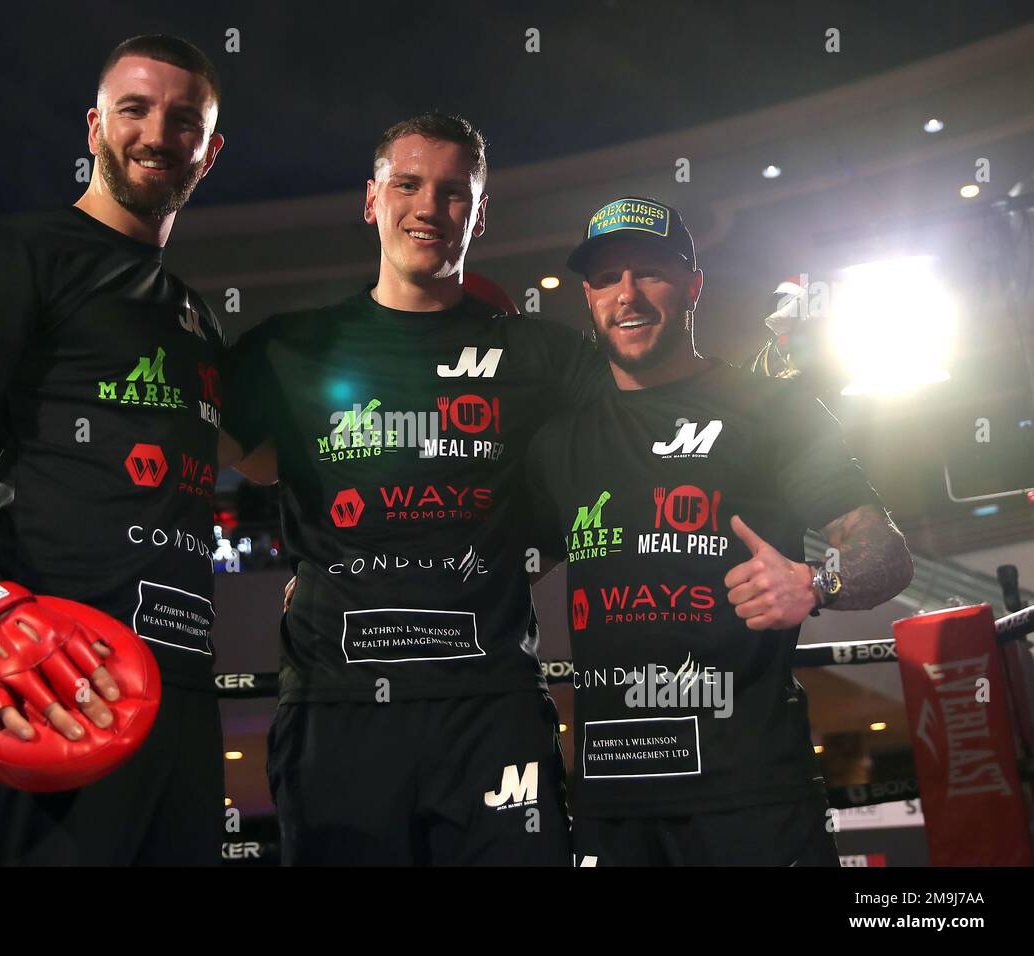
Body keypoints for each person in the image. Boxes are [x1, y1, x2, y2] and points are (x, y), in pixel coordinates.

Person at [0, 34, 235, 865]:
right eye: (134, 109)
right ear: (93, 126)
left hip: (176, 684)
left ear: (209, 153)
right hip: (44, 678)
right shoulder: (14, 253)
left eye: (184, 119)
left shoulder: (196, 316)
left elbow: (274, 457)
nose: (156, 133)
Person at [224, 113, 609, 865]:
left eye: (454, 191)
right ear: (372, 200)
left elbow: (646, 441)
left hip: (494, 712)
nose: (429, 207)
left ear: (480, 212)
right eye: (407, 184)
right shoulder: (286, 348)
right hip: (336, 716)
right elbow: (204, 450)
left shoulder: (545, 355)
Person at [525, 196, 915, 866]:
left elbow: (886, 551)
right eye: (606, 278)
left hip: (751, 794)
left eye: (649, 272)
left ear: (693, 286)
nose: (627, 295)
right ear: (587, 297)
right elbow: (492, 557)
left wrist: (816, 582)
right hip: (612, 800)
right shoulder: (560, 441)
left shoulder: (773, 409)